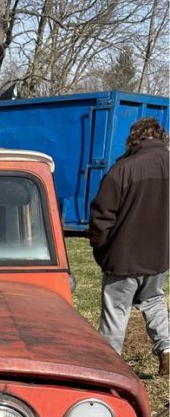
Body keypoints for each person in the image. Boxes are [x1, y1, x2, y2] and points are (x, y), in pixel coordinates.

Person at [88, 117, 169, 376]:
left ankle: (108, 367)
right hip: (159, 256)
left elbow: (101, 216)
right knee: (154, 300)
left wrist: (101, 250)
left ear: (135, 138)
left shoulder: (122, 169)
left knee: (116, 310)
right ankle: (167, 349)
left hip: (123, 257)